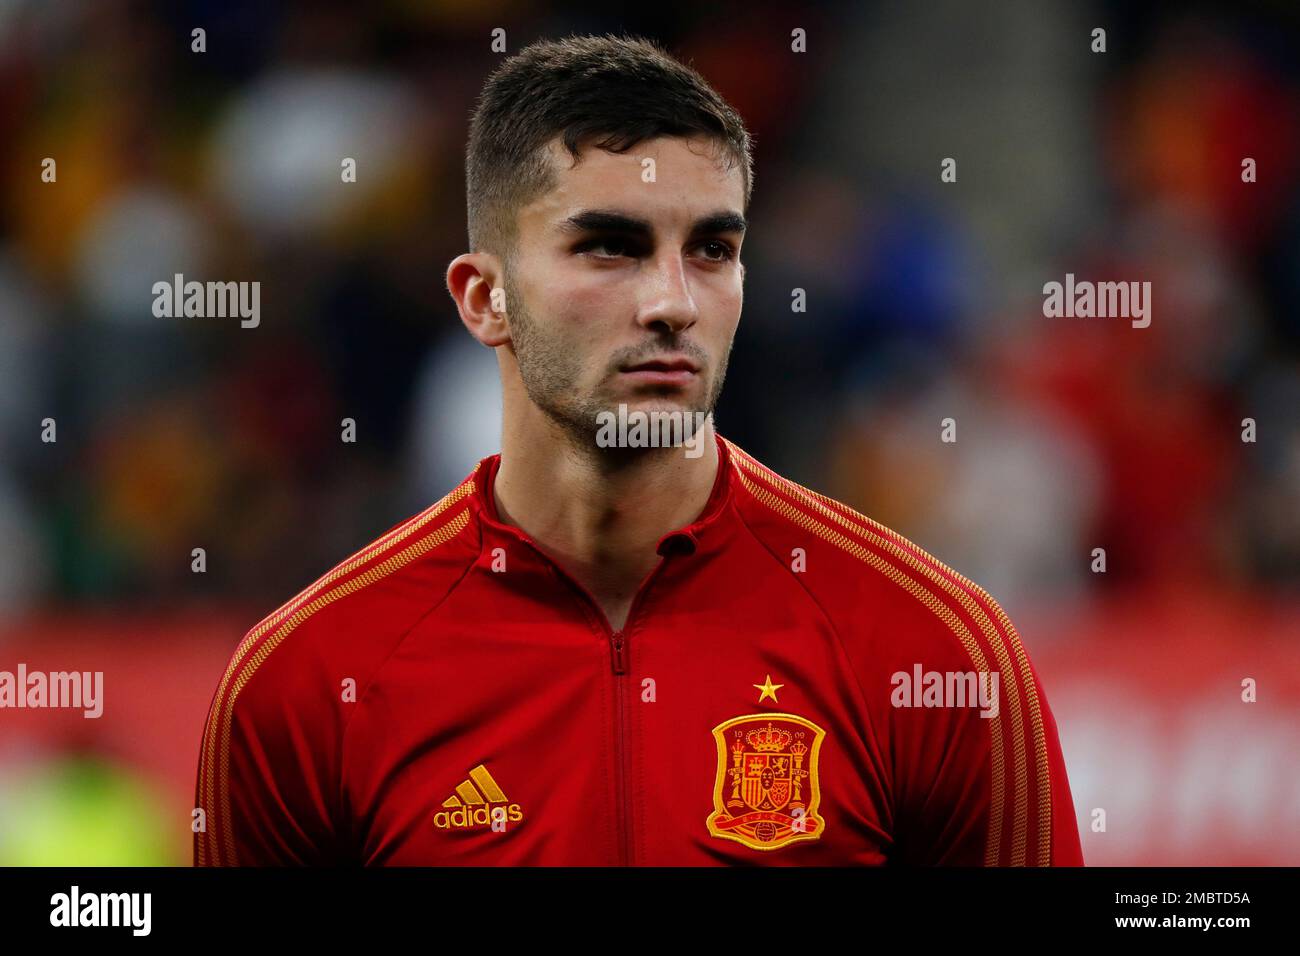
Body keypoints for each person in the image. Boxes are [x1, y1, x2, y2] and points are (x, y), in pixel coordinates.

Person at [194, 34, 1083, 866]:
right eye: (610, 247)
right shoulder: (305, 686)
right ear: (482, 298)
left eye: (711, 250)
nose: (673, 303)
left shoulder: (941, 656)